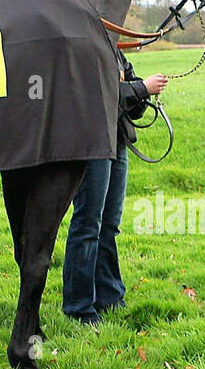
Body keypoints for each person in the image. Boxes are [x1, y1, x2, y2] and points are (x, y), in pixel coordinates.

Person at [62, 49, 167, 325]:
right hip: (91, 144)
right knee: (88, 224)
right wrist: (141, 87)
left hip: (117, 142)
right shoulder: (85, 48)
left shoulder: (116, 51)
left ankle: (109, 297)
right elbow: (96, 91)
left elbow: (129, 100)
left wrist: (141, 93)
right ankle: (78, 307)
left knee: (109, 225)